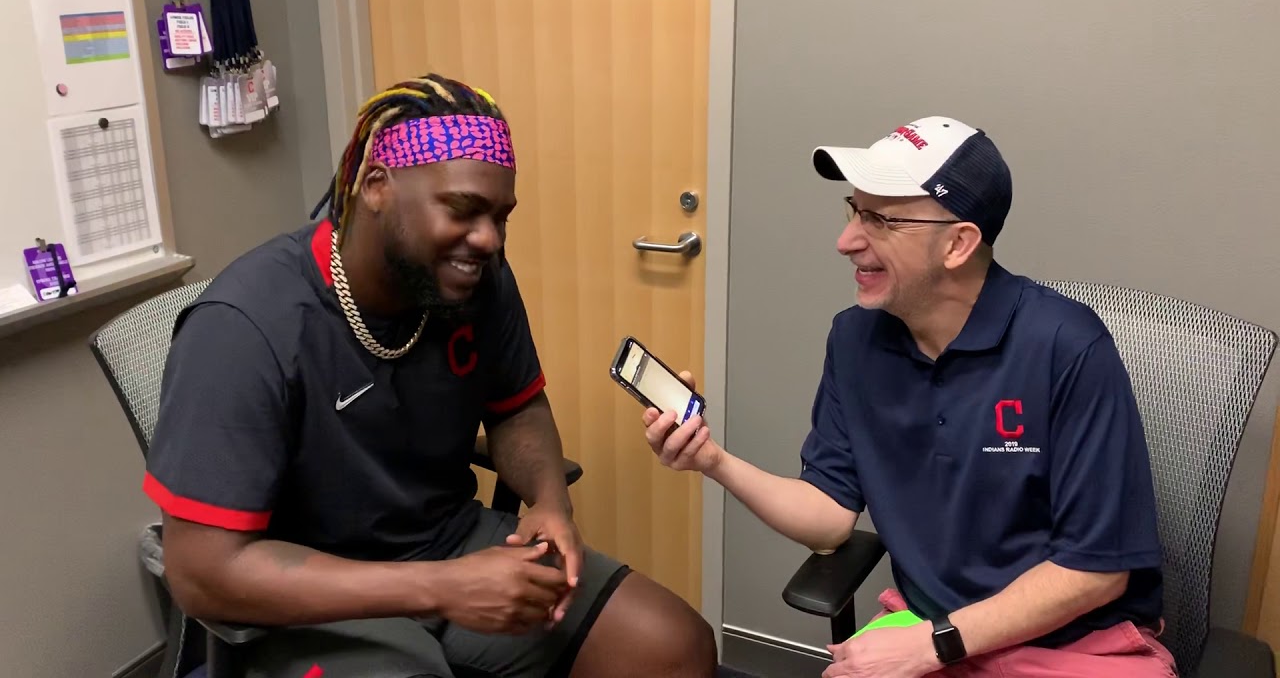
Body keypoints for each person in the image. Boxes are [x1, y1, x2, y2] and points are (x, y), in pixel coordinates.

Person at [145, 73, 717, 678]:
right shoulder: (246, 326)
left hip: (449, 541)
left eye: (502, 217)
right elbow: (202, 573)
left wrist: (550, 503)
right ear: (376, 187)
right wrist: (441, 587)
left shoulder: (478, 279)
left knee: (674, 647)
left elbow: (516, 406)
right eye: (464, 210)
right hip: (311, 599)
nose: (489, 240)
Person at [641, 117, 1176, 677]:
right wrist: (713, 461)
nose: (847, 240)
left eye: (880, 219)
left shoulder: (1067, 347)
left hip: (1070, 644)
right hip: (926, 625)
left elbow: (1096, 570)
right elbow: (828, 516)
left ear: (958, 243)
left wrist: (933, 645)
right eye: (853, 210)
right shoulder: (855, 340)